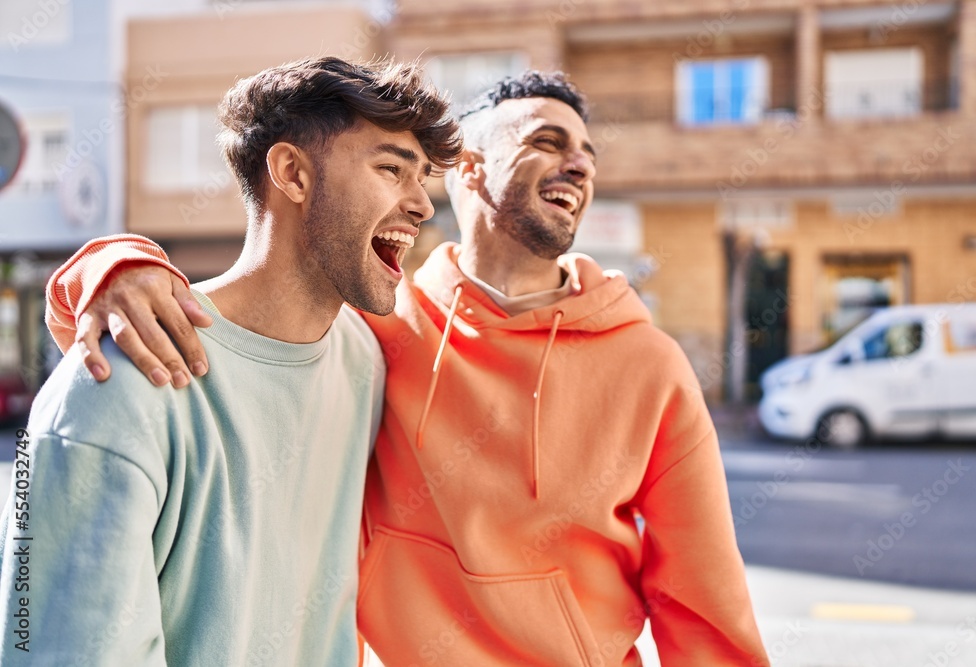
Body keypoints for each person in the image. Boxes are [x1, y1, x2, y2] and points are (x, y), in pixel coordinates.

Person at [43, 72, 770, 665]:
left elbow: (704, 606)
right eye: (548, 141)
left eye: (586, 150)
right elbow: (262, 309)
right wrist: (109, 266)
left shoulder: (648, 364)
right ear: (474, 173)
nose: (578, 161)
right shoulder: (385, 329)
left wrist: (110, 267)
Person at [0, 56, 461, 664]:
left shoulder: (365, 359)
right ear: (292, 174)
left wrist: (111, 260)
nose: (422, 204)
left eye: (422, 177)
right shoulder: (120, 379)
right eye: (391, 169)